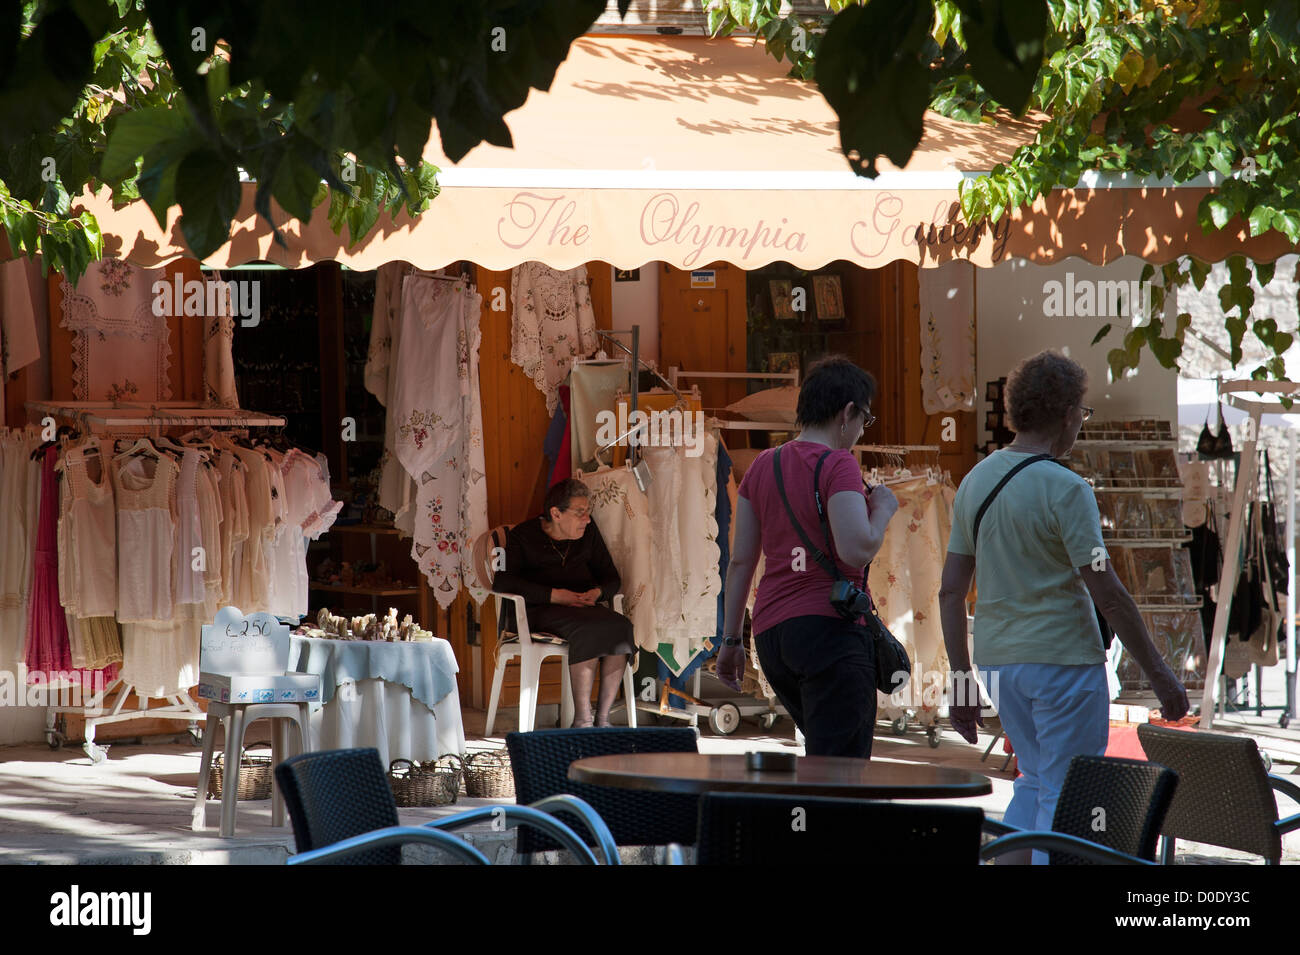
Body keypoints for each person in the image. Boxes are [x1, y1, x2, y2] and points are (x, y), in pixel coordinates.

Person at [938, 349, 1189, 864]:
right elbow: (1109, 594)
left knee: (1034, 781)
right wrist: (1161, 674)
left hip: (998, 661)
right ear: (1068, 414)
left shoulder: (975, 482)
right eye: (1083, 412)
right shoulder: (1067, 489)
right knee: (1065, 792)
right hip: (1063, 662)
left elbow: (949, 591)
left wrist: (961, 682)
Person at [717, 356, 898, 756]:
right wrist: (883, 509)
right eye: (864, 421)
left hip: (773, 638)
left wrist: (731, 639)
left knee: (822, 757)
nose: (860, 433)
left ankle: (806, 817)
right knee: (842, 775)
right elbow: (856, 548)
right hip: (829, 632)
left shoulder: (763, 466)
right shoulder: (839, 464)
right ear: (848, 412)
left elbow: (741, 562)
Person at [493, 479, 634, 727]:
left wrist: (597, 593)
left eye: (588, 512)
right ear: (556, 513)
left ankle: (602, 720)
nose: (587, 520)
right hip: (539, 611)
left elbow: (611, 577)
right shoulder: (523, 536)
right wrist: (554, 595)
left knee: (621, 626)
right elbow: (503, 583)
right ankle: (582, 719)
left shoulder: (588, 533)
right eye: (580, 513)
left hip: (582, 607)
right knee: (586, 630)